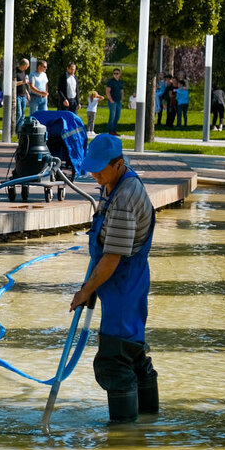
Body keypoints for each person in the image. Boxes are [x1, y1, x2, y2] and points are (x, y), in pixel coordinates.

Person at [69, 133, 158, 424]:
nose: (94, 174)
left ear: (118, 164)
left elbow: (111, 258)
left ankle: (122, 435)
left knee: (114, 359)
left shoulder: (124, 198)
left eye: (99, 169)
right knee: (133, 353)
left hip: (123, 282)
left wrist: (86, 290)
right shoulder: (113, 182)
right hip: (125, 282)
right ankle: (148, 421)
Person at [13, 59, 31, 130]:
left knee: (23, 115)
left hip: (23, 96)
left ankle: (19, 131)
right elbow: (13, 83)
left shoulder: (23, 72)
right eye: (27, 65)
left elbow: (24, 85)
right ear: (23, 65)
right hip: (17, 95)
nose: (28, 66)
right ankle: (12, 128)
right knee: (19, 113)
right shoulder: (15, 71)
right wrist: (22, 82)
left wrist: (27, 93)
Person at [104, 68, 124, 135]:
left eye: (117, 73)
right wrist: (111, 100)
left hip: (118, 101)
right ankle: (110, 131)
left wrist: (121, 99)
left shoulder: (120, 82)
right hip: (113, 102)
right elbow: (107, 91)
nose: (116, 75)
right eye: (114, 73)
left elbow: (122, 91)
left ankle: (114, 130)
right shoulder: (111, 82)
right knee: (112, 116)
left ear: (119, 74)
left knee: (117, 116)